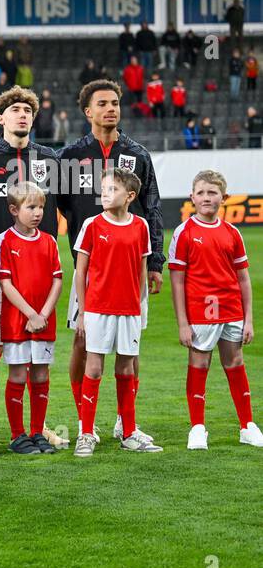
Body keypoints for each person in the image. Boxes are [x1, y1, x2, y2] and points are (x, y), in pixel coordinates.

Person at [58, 79, 164, 444]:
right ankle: (84, 419)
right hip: (89, 269)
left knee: (129, 349)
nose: (111, 109)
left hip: (129, 268)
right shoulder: (71, 157)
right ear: (88, 111)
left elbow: (151, 208)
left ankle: (125, 421)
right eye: (102, 103)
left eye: (115, 103)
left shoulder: (136, 155)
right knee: (81, 342)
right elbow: (55, 204)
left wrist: (156, 262)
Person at [0, 86, 64, 448]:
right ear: (0, 118)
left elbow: (71, 205)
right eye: (15, 110)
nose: (23, 115)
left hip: (38, 272)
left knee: (36, 358)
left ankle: (36, 429)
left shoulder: (52, 160)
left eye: (28, 110)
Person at [168, 170, 263, 450]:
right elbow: (177, 281)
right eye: (201, 193)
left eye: (212, 193)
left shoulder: (232, 233)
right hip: (200, 312)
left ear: (224, 198)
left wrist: (249, 320)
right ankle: (197, 428)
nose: (206, 198)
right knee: (199, 365)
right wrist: (182, 323)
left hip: (232, 311)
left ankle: (247, 425)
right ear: (192, 197)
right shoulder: (184, 232)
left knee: (234, 364)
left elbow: (243, 278)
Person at [72, 168, 161, 456]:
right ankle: (86, 433)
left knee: (125, 368)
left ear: (130, 196)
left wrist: (140, 306)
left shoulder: (140, 227)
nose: (105, 194)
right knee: (95, 367)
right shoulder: (92, 224)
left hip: (130, 309)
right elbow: (80, 270)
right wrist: (83, 311)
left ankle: (129, 432)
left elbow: (141, 269)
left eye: (112, 189)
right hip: (98, 308)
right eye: (104, 189)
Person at [0, 183, 64, 455]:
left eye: (41, 207)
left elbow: (57, 280)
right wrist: (31, 314)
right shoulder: (4, 241)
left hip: (44, 321)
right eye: (31, 207)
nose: (38, 213)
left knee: (41, 373)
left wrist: (43, 314)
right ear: (14, 209)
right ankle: (17, 435)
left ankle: (37, 432)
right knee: (18, 373)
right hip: (17, 322)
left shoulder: (49, 240)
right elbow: (6, 283)